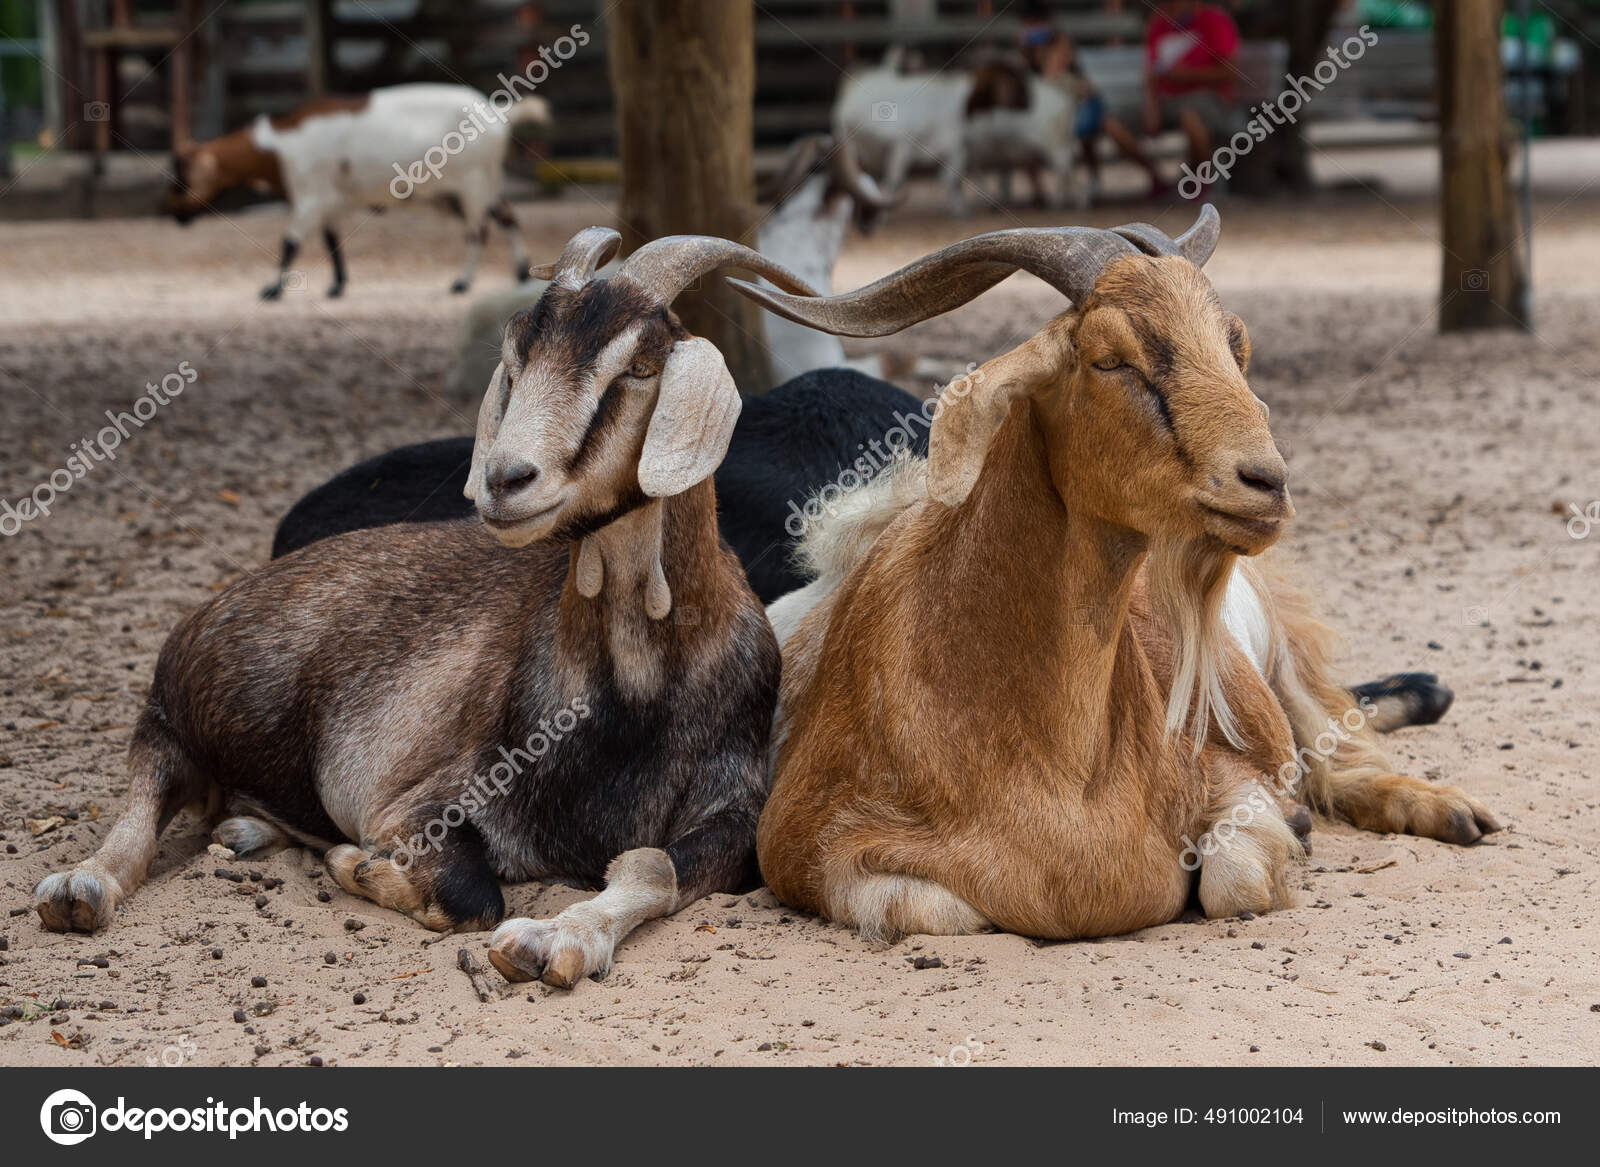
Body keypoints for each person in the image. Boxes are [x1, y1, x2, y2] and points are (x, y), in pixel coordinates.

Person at [1100, 0, 1241, 198]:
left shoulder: (1213, 19)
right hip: (1166, 101)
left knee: (1190, 116)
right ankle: (1159, 180)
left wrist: (1187, 75)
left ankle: (1199, 181)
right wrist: (1152, 108)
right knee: (1113, 123)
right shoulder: (1158, 23)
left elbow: (1231, 71)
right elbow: (1150, 74)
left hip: (1208, 99)